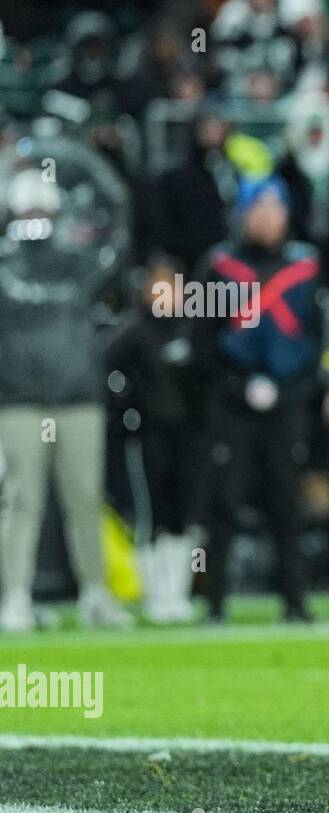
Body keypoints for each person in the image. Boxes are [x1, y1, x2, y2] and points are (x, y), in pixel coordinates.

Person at [0, 168, 131, 631]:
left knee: (85, 500)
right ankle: (14, 596)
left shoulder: (77, 261)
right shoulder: (5, 264)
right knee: (23, 501)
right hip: (19, 401)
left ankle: (95, 593)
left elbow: (121, 241)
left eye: (43, 208)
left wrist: (103, 177)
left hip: (77, 399)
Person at [192, 176, 321, 623]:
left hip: (286, 403)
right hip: (230, 404)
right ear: (243, 214)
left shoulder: (306, 265)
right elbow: (200, 342)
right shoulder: (220, 265)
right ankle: (215, 603)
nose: (266, 218)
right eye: (258, 208)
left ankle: (295, 601)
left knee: (287, 501)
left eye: (274, 208)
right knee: (223, 501)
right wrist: (235, 385)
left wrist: (293, 390)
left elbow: (317, 337)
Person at [104, 257, 203, 623]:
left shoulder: (192, 328)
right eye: (157, 286)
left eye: (171, 286)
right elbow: (108, 369)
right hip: (147, 434)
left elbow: (207, 375)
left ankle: (178, 591)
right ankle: (155, 593)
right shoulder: (133, 330)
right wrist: (127, 410)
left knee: (184, 513)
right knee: (152, 513)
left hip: (188, 435)